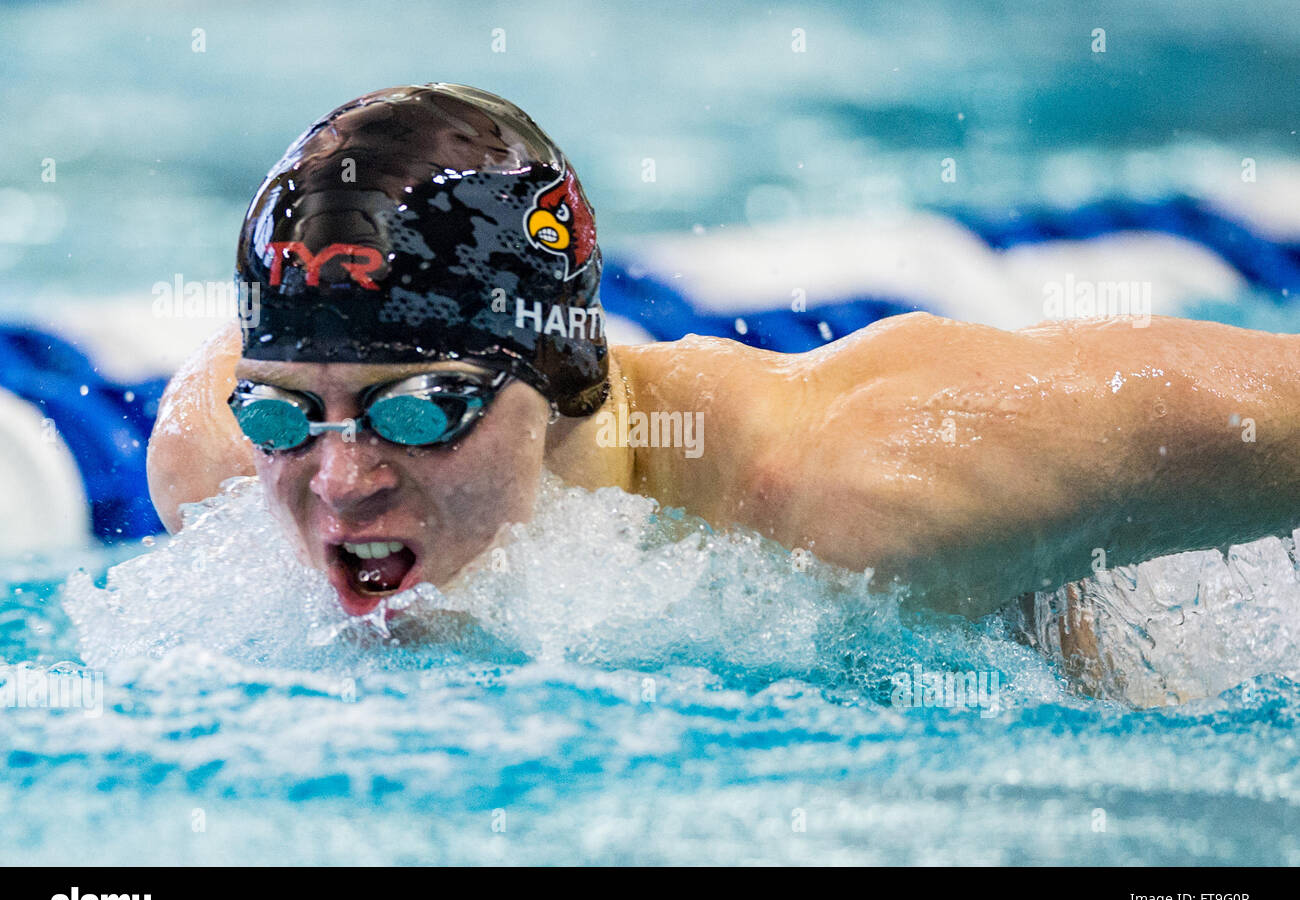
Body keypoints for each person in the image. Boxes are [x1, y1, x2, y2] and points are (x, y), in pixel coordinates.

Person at [148, 82, 1300, 629]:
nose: (341, 483)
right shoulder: (213, 460)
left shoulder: (867, 485)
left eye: (415, 413)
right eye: (290, 415)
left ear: (554, 384)